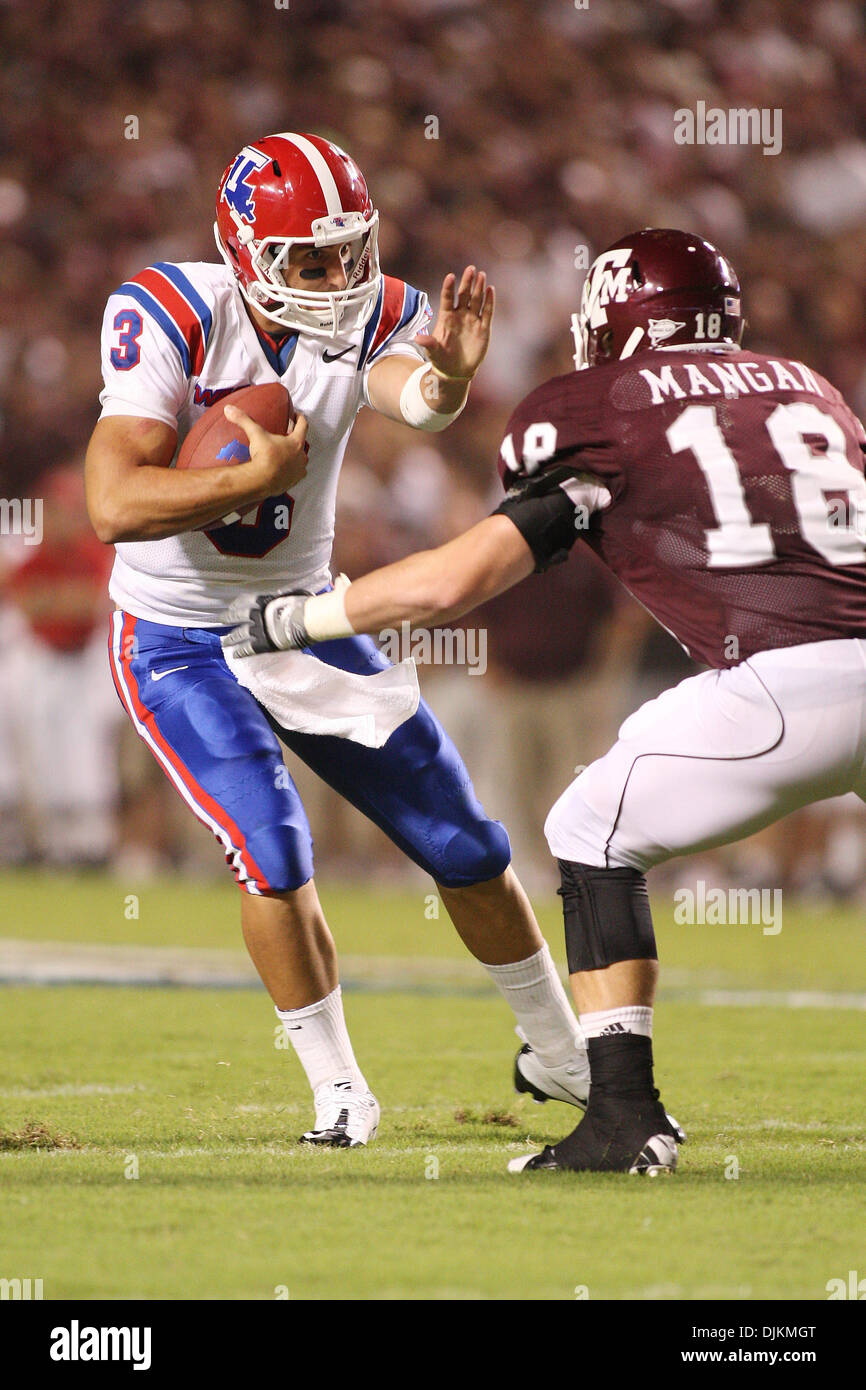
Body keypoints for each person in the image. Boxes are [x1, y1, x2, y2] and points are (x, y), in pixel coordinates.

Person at [227, 227, 866, 1174]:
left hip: (782, 682)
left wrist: (299, 621)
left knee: (591, 825)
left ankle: (621, 1117)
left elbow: (453, 584)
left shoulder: (599, 409)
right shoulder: (809, 387)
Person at [85, 131, 589, 1148]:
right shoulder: (170, 309)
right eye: (308, 261)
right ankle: (338, 1091)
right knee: (271, 852)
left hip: (302, 618)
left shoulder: (371, 306)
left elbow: (413, 396)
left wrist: (444, 377)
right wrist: (244, 479)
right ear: (242, 248)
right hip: (180, 634)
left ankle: (561, 1050)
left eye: (348, 251)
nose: (336, 278)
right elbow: (111, 501)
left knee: (467, 843)